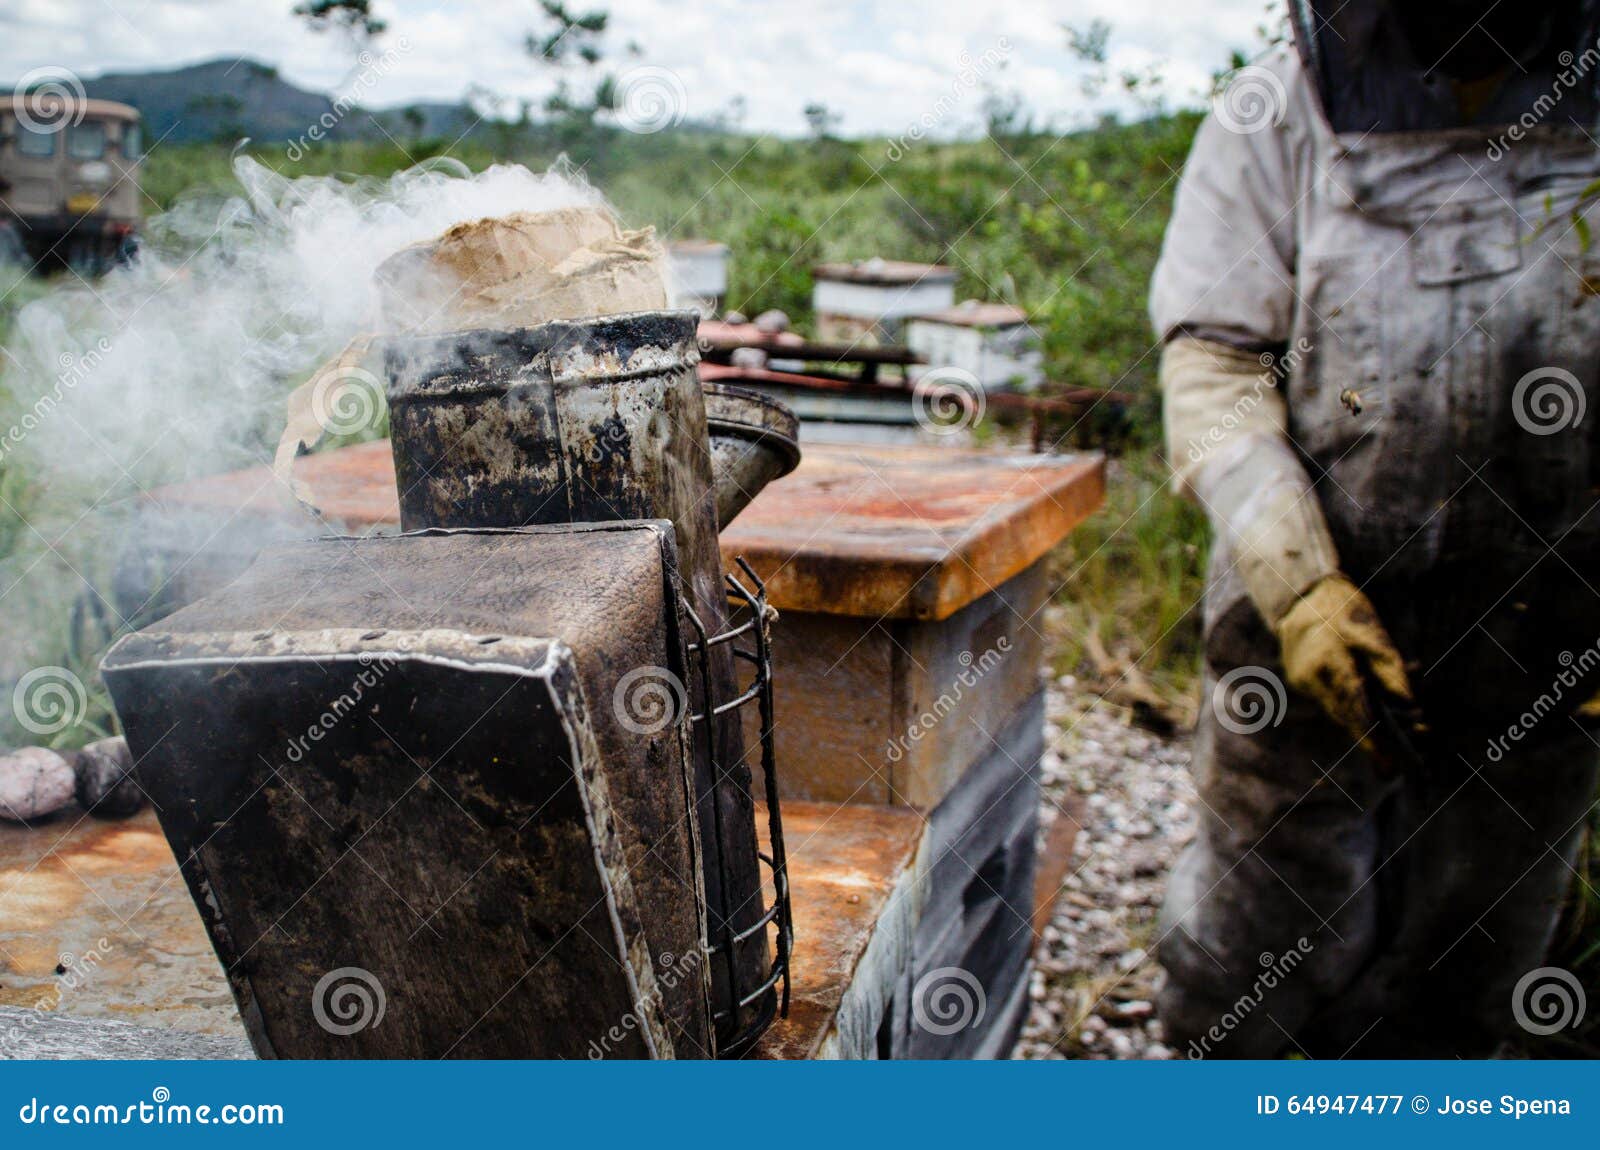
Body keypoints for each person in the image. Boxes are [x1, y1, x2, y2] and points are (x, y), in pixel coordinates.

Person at [1150, 0, 1600, 1057]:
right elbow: (1215, 355)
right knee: (1254, 964)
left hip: (1548, 649)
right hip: (1306, 638)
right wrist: (1298, 585)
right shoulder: (1277, 106)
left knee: (1471, 971)